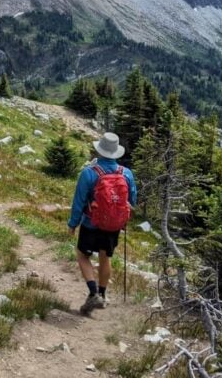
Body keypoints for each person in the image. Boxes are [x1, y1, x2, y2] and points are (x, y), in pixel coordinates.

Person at [67, 132, 137, 316]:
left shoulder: (89, 172)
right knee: (105, 258)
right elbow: (133, 199)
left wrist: (73, 224)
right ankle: (103, 295)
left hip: (91, 223)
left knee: (83, 255)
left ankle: (93, 292)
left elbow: (79, 201)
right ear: (116, 152)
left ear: (99, 150)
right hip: (113, 225)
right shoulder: (126, 173)